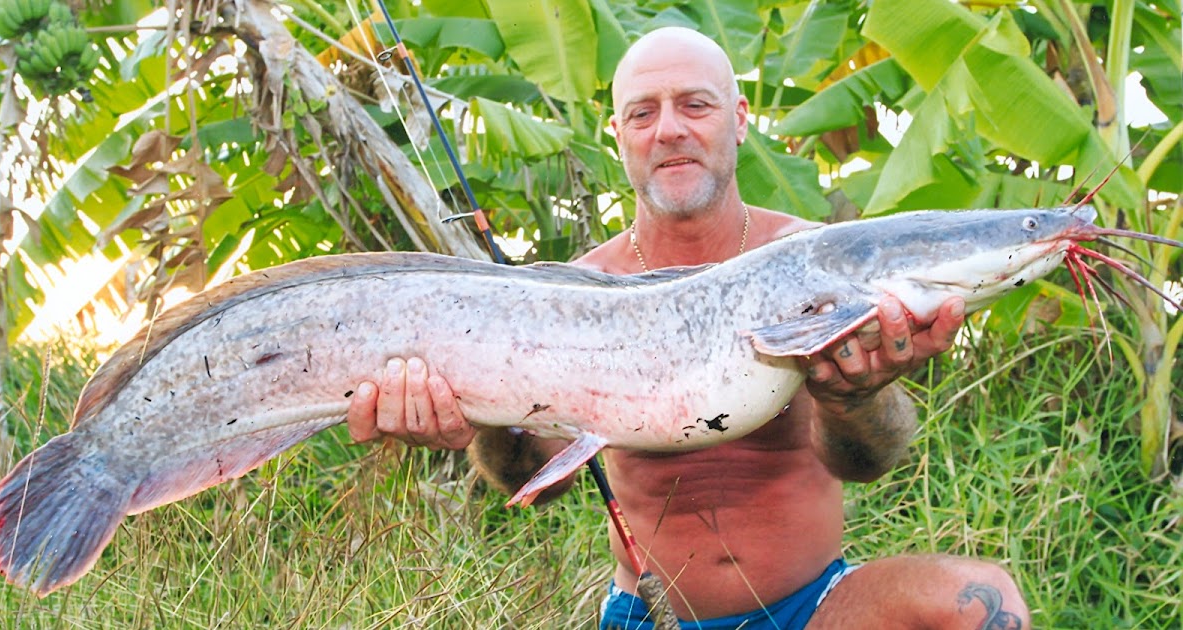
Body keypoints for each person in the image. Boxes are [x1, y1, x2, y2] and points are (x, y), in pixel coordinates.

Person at [346, 27, 1030, 630]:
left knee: (980, 602)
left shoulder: (820, 262)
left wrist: (853, 395)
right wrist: (480, 415)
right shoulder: (571, 293)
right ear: (619, 137)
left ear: (740, 119)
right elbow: (536, 483)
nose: (669, 129)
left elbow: (868, 463)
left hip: (813, 607)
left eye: (695, 105)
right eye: (643, 113)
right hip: (651, 615)